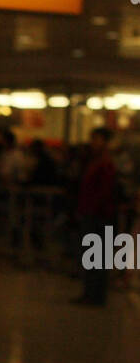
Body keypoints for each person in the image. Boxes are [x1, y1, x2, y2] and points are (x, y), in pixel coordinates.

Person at [73, 125, 118, 306]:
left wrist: (91, 209)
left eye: (97, 139)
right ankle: (90, 292)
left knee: (98, 257)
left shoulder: (105, 164)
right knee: (92, 256)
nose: (93, 143)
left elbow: (103, 192)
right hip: (93, 213)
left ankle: (96, 294)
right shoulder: (94, 162)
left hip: (100, 216)